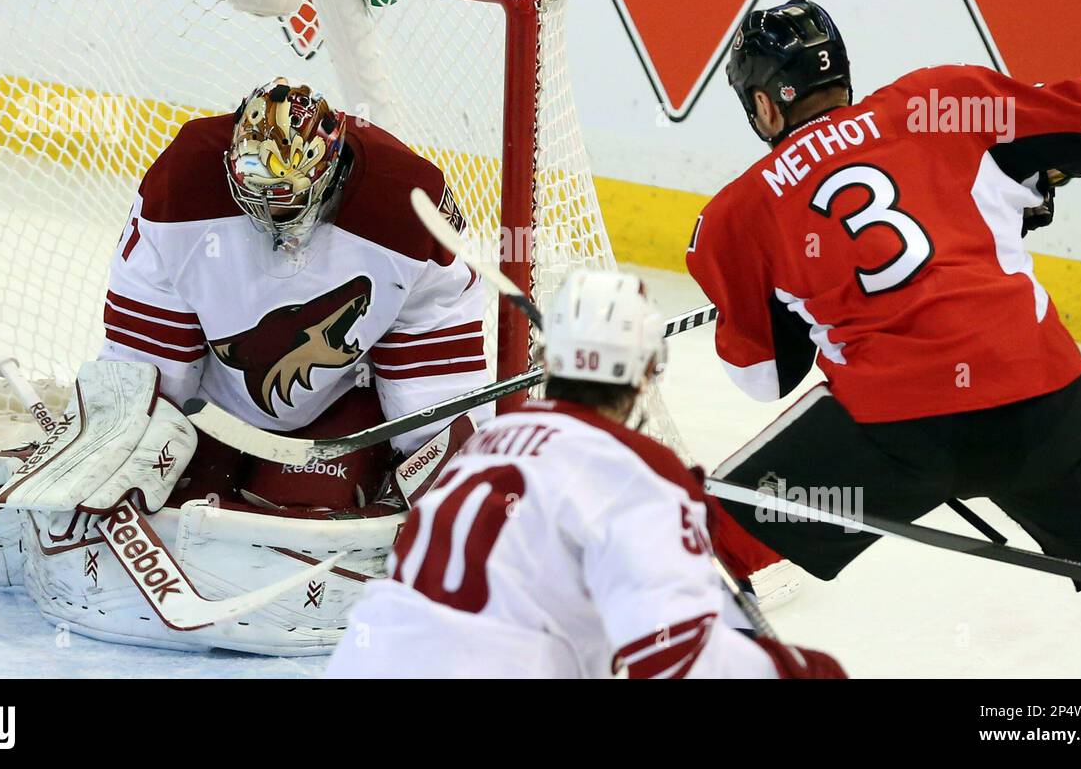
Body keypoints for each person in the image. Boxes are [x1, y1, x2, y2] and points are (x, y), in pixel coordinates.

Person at [687, 0, 1081, 678]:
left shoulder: (736, 213)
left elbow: (762, 376)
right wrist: (1032, 175)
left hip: (890, 437)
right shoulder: (937, 100)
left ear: (764, 107)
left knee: (697, 546)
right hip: (1042, 403)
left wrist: (797, 299)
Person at [0, 78, 488, 653]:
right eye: (258, 197)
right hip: (212, 401)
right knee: (173, 507)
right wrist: (129, 436)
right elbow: (147, 347)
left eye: (289, 199)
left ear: (332, 172)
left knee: (302, 522)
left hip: (342, 408)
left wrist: (436, 452)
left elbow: (433, 332)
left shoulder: (409, 202)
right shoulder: (184, 183)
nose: (273, 218)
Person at [326, 269, 845, 678]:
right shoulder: (642, 473)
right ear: (648, 373)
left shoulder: (486, 447)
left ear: (544, 359)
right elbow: (674, 660)